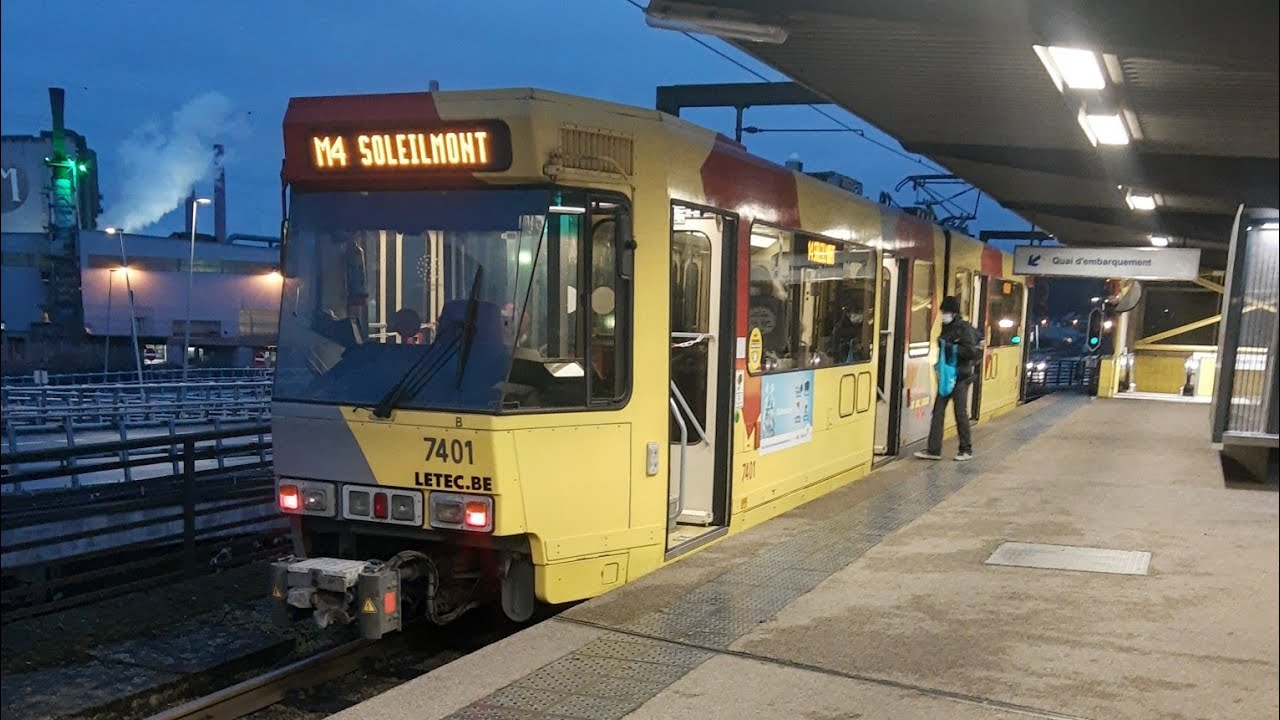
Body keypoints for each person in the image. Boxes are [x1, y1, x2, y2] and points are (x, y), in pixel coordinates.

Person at [914, 296, 981, 462]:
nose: (944, 315)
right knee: (937, 412)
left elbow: (971, 351)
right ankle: (933, 450)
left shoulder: (964, 328)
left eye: (947, 312)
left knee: (960, 413)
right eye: (943, 312)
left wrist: (952, 348)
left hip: (960, 377)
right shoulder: (947, 327)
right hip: (946, 377)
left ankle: (966, 449)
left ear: (954, 312)